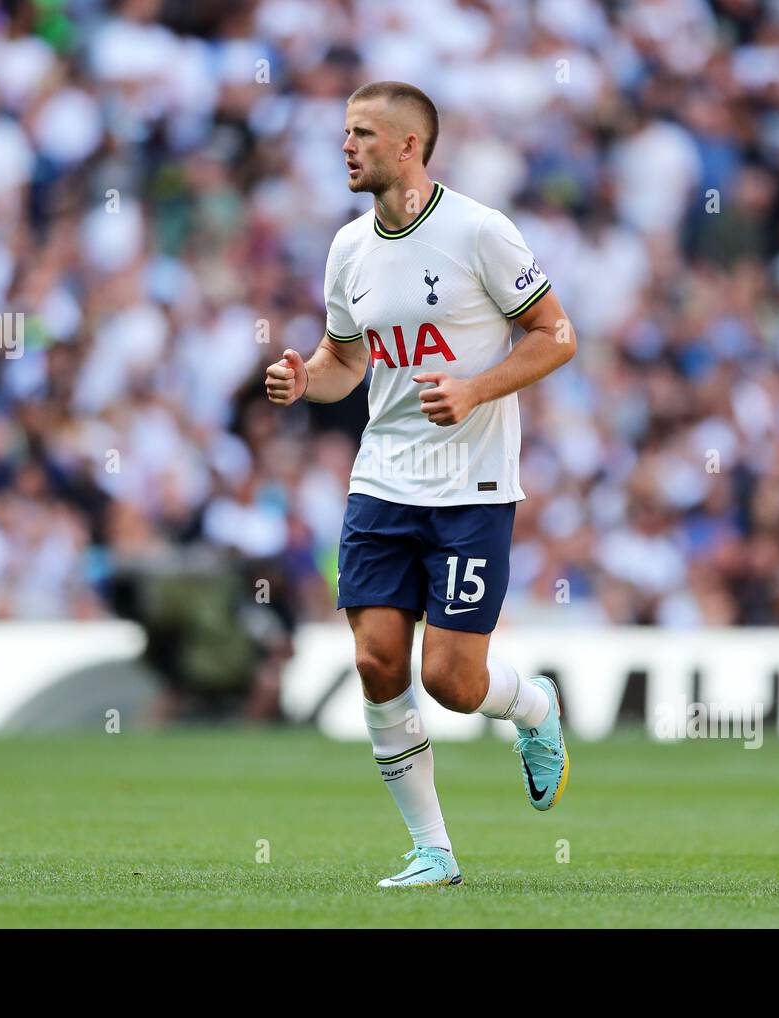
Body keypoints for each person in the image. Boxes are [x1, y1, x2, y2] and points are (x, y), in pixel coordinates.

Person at [265, 81, 577, 887]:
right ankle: (432, 850)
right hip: (383, 480)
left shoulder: (480, 232)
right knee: (375, 661)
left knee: (450, 680)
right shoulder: (347, 249)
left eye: (362, 133)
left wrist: (476, 389)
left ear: (409, 146)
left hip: (472, 485)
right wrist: (308, 381)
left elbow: (557, 335)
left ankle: (532, 706)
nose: (345, 146)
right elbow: (344, 362)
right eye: (344, 131)